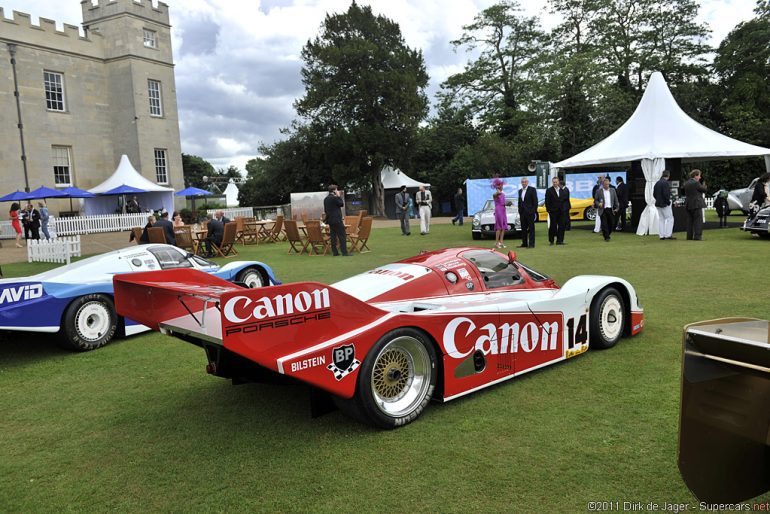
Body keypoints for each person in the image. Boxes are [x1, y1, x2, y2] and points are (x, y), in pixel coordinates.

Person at [323, 184, 349, 256]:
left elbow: (325, 210)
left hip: (330, 220)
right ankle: (344, 252)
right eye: (336, 189)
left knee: (333, 236)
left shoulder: (326, 199)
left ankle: (335, 252)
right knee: (342, 235)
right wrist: (338, 196)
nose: (337, 191)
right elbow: (341, 204)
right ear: (334, 190)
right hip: (337, 220)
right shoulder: (334, 198)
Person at [545, 176, 570, 245]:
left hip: (561, 211)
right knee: (552, 226)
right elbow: (547, 201)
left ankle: (560, 241)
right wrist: (549, 210)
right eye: (554, 182)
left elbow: (564, 201)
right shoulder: (549, 190)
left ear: (558, 182)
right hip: (553, 212)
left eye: (556, 182)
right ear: (552, 182)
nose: (555, 183)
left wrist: (564, 209)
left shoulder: (562, 190)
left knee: (561, 226)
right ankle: (551, 241)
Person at [683, 169, 708, 241]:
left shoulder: (686, 183)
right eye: (699, 176)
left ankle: (689, 236)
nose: (700, 177)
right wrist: (704, 185)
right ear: (695, 176)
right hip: (696, 204)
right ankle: (697, 236)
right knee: (698, 220)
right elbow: (704, 190)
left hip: (688, 204)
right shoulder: (696, 183)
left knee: (690, 221)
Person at [653, 170, 675, 240]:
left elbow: (654, 194)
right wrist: (668, 202)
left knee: (661, 219)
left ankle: (661, 235)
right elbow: (666, 194)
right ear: (668, 175)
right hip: (664, 204)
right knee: (670, 218)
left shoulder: (657, 183)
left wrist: (658, 199)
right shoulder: (665, 183)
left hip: (658, 203)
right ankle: (668, 234)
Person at [518, 176, 538, 248]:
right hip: (522, 213)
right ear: (521, 183)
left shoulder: (532, 190)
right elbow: (520, 202)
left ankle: (531, 244)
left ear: (527, 182)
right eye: (522, 182)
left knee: (531, 228)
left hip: (530, 212)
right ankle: (524, 243)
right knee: (523, 229)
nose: (524, 183)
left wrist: (533, 211)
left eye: (525, 182)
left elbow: (535, 201)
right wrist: (519, 211)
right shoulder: (520, 191)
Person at [492, 177, 511, 248]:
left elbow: (503, 202)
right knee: (499, 227)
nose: (501, 187)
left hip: (503, 210)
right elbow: (494, 195)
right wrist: (497, 191)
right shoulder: (496, 194)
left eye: (502, 186)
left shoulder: (503, 194)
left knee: (503, 227)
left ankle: (501, 242)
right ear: (497, 186)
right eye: (500, 185)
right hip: (498, 210)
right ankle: (496, 243)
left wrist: (508, 203)